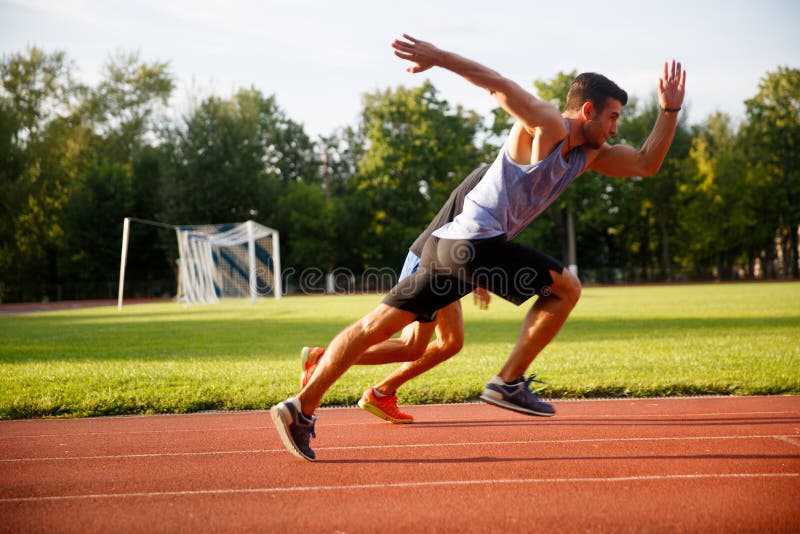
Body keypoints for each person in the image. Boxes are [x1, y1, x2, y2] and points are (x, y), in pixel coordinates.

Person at [271, 34, 686, 461]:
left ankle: (299, 408)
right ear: (587, 111)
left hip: (451, 249)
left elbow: (646, 163)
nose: (617, 127)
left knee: (371, 329)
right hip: (473, 244)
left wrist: (670, 110)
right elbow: (498, 84)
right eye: (614, 117)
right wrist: (439, 58)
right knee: (567, 289)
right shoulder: (547, 126)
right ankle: (508, 382)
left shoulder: (591, 156)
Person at [300, 164, 492, 424]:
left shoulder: (503, 174)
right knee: (411, 346)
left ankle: (382, 392)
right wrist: (476, 272)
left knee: (450, 343)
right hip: (433, 262)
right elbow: (472, 223)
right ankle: (323, 361)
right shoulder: (499, 175)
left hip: (448, 264)